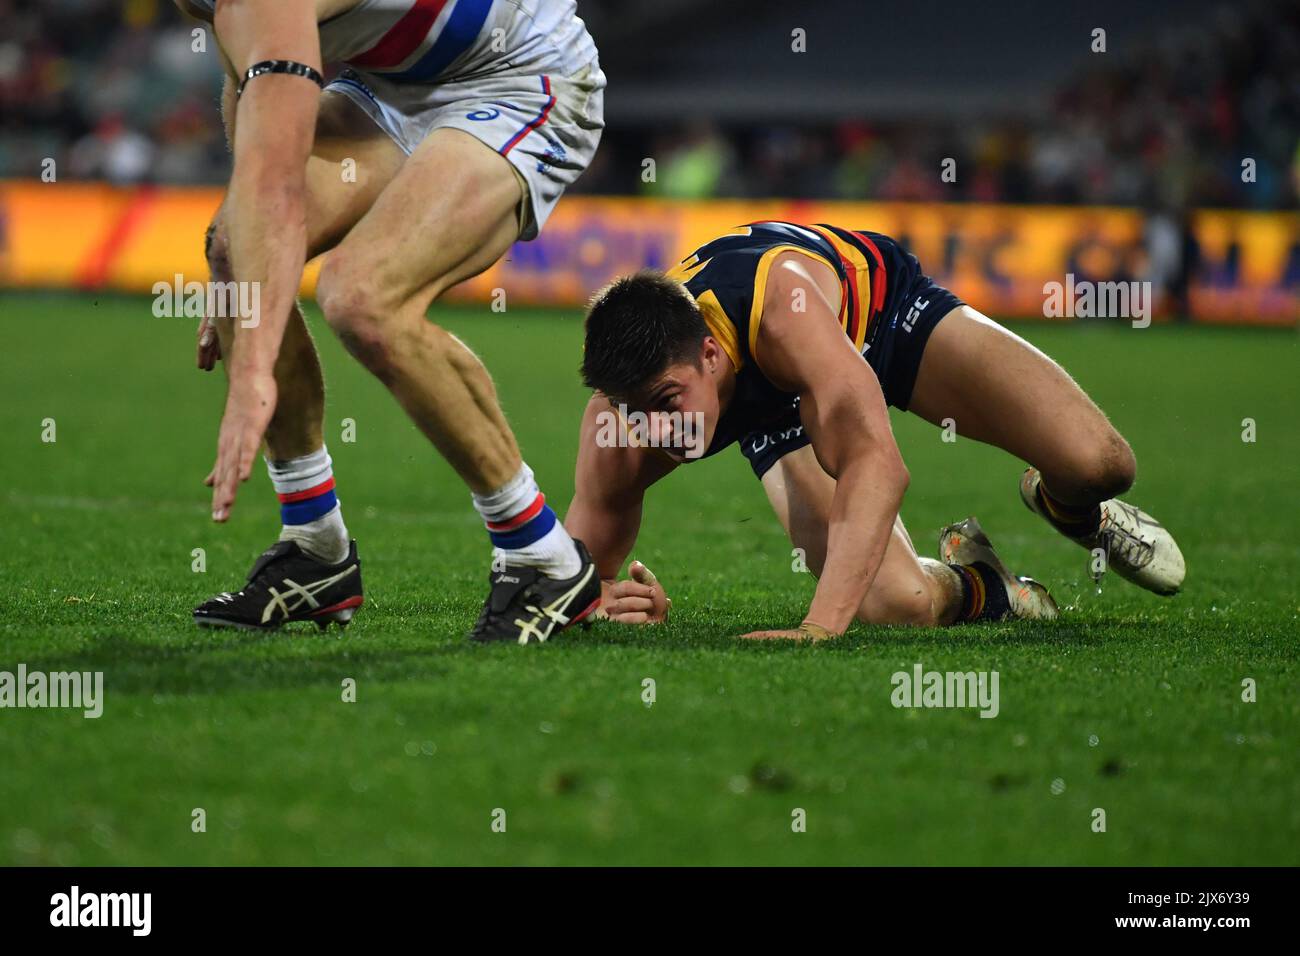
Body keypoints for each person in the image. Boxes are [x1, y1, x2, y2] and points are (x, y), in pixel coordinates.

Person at [177, 0, 605, 642]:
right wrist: (238, 265)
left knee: (363, 297)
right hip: (389, 90)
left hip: (519, 76)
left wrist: (254, 369)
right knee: (238, 250)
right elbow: (251, 91)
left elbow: (278, 188)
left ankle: (544, 556)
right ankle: (316, 547)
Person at [567, 221, 1185, 639]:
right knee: (898, 606)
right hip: (783, 397)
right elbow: (565, 585)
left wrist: (819, 628)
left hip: (884, 318)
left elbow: (878, 465)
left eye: (666, 402)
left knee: (1101, 465)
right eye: (633, 412)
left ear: (709, 355)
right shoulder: (621, 421)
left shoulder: (784, 316)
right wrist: (607, 600)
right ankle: (990, 586)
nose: (658, 430)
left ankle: (1071, 507)